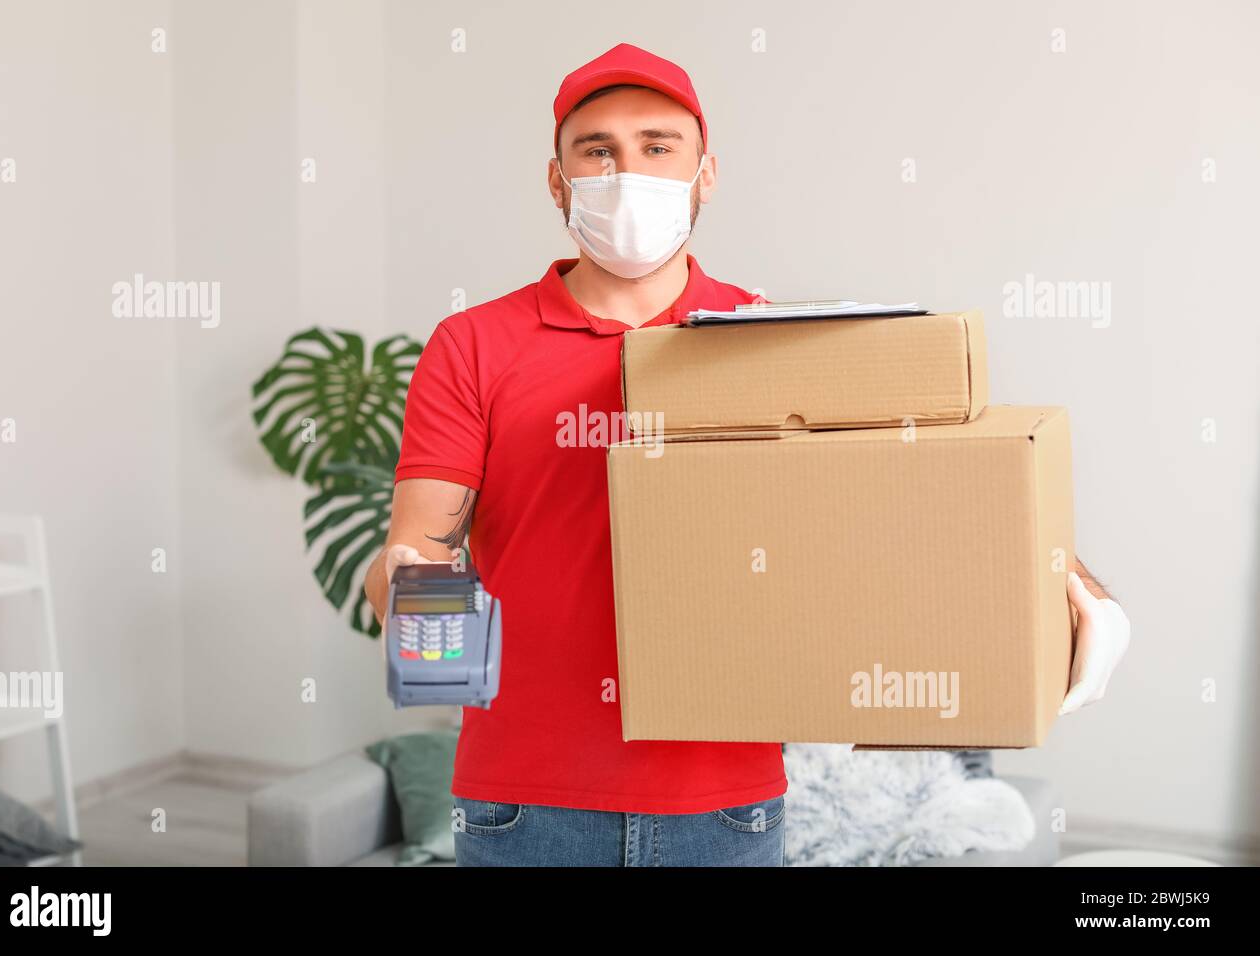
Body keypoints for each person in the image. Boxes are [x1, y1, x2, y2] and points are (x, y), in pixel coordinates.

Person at [363, 42, 1131, 867]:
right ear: (558, 181)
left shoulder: (769, 340)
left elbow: (931, 486)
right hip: (526, 802)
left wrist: (1077, 595)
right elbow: (420, 550)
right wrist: (412, 601)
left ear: (706, 174)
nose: (629, 174)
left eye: (659, 148)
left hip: (725, 807)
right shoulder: (474, 344)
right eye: (598, 151)